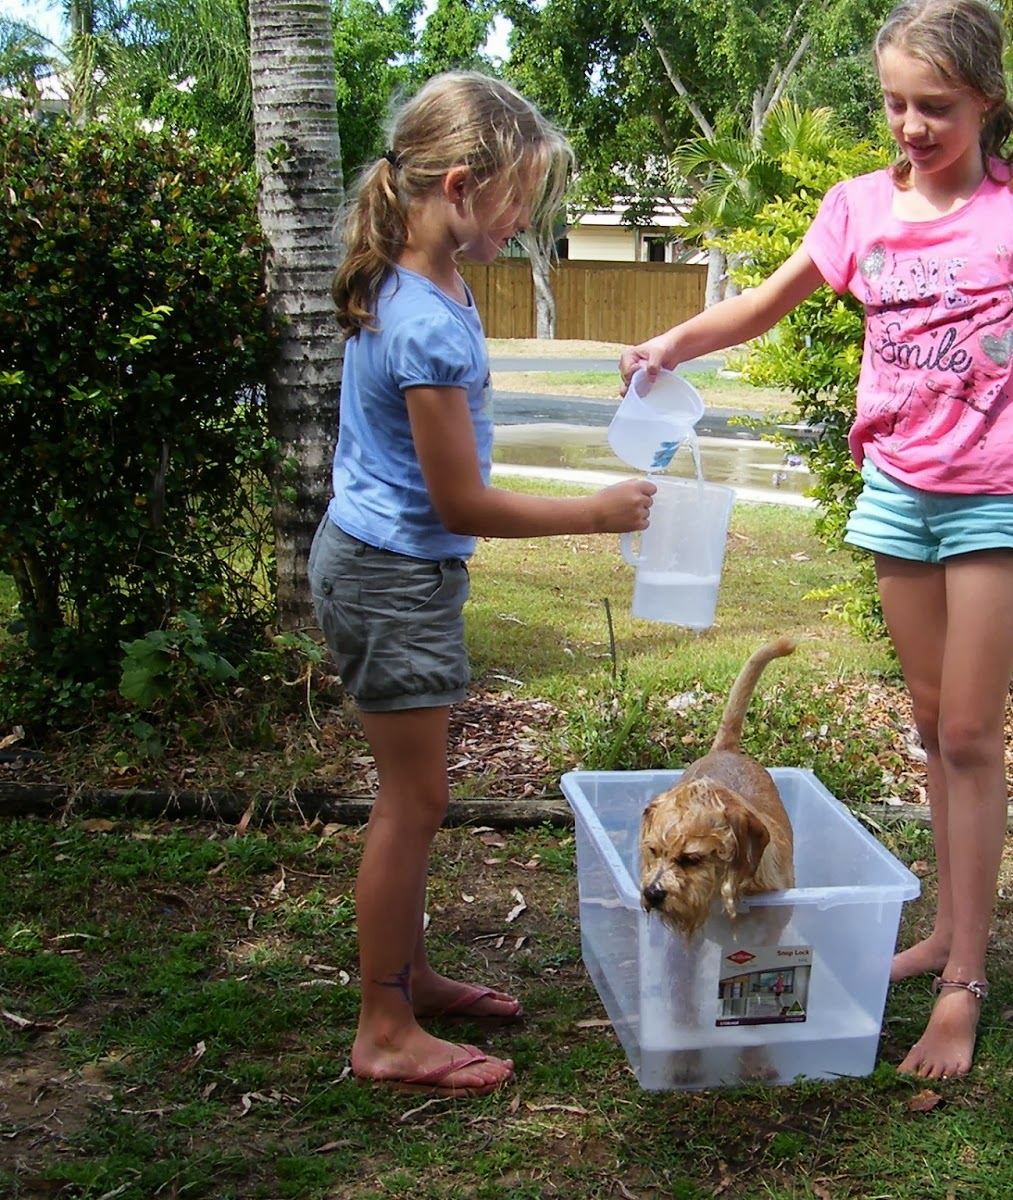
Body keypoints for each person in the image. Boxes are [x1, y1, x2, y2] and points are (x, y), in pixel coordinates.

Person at [620, 0, 1013, 1080]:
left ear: (988, 101)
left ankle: (963, 980)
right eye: (895, 102)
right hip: (897, 490)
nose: (910, 124)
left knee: (974, 737)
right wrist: (674, 341)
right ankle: (947, 927)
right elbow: (763, 304)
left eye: (934, 106)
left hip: (993, 493)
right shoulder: (857, 210)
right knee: (934, 721)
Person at [312, 71, 655, 1098]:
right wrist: (590, 515)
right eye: (519, 204)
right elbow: (460, 501)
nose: (526, 224)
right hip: (390, 575)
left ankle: (406, 974)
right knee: (412, 804)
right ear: (459, 187)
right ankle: (382, 1021)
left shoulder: (426, 283)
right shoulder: (418, 317)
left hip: (394, 569)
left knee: (417, 796)